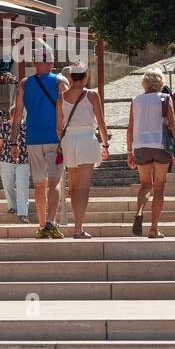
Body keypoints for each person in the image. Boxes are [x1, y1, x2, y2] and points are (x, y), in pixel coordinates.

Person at [9, 43, 70, 238]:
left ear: (35, 62)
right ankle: (51, 222)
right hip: (56, 138)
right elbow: (69, 109)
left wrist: (13, 142)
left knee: (39, 185)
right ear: (52, 62)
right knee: (55, 181)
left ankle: (42, 225)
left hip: (33, 139)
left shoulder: (25, 84)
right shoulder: (60, 81)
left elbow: (17, 115)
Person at [127, 69, 175, 239]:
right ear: (160, 83)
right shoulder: (164, 98)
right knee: (159, 187)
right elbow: (172, 124)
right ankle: (153, 228)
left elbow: (130, 128)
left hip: (140, 146)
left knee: (145, 185)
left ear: (144, 83)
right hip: (160, 145)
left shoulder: (135, 100)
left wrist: (129, 151)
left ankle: (139, 211)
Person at [58, 63, 111, 238]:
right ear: (85, 77)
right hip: (87, 139)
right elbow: (101, 123)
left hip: (69, 141)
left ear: (70, 78)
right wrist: (105, 145)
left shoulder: (61, 97)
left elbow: (59, 127)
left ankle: (77, 226)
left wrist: (63, 143)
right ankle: (78, 228)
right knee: (83, 187)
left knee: (73, 187)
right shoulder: (92, 95)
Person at [0, 114, 30, 223]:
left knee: (22, 185)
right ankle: (12, 206)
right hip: (6, 159)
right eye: (14, 114)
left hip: (23, 160)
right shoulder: (5, 126)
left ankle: (23, 213)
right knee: (8, 184)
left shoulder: (27, 126)